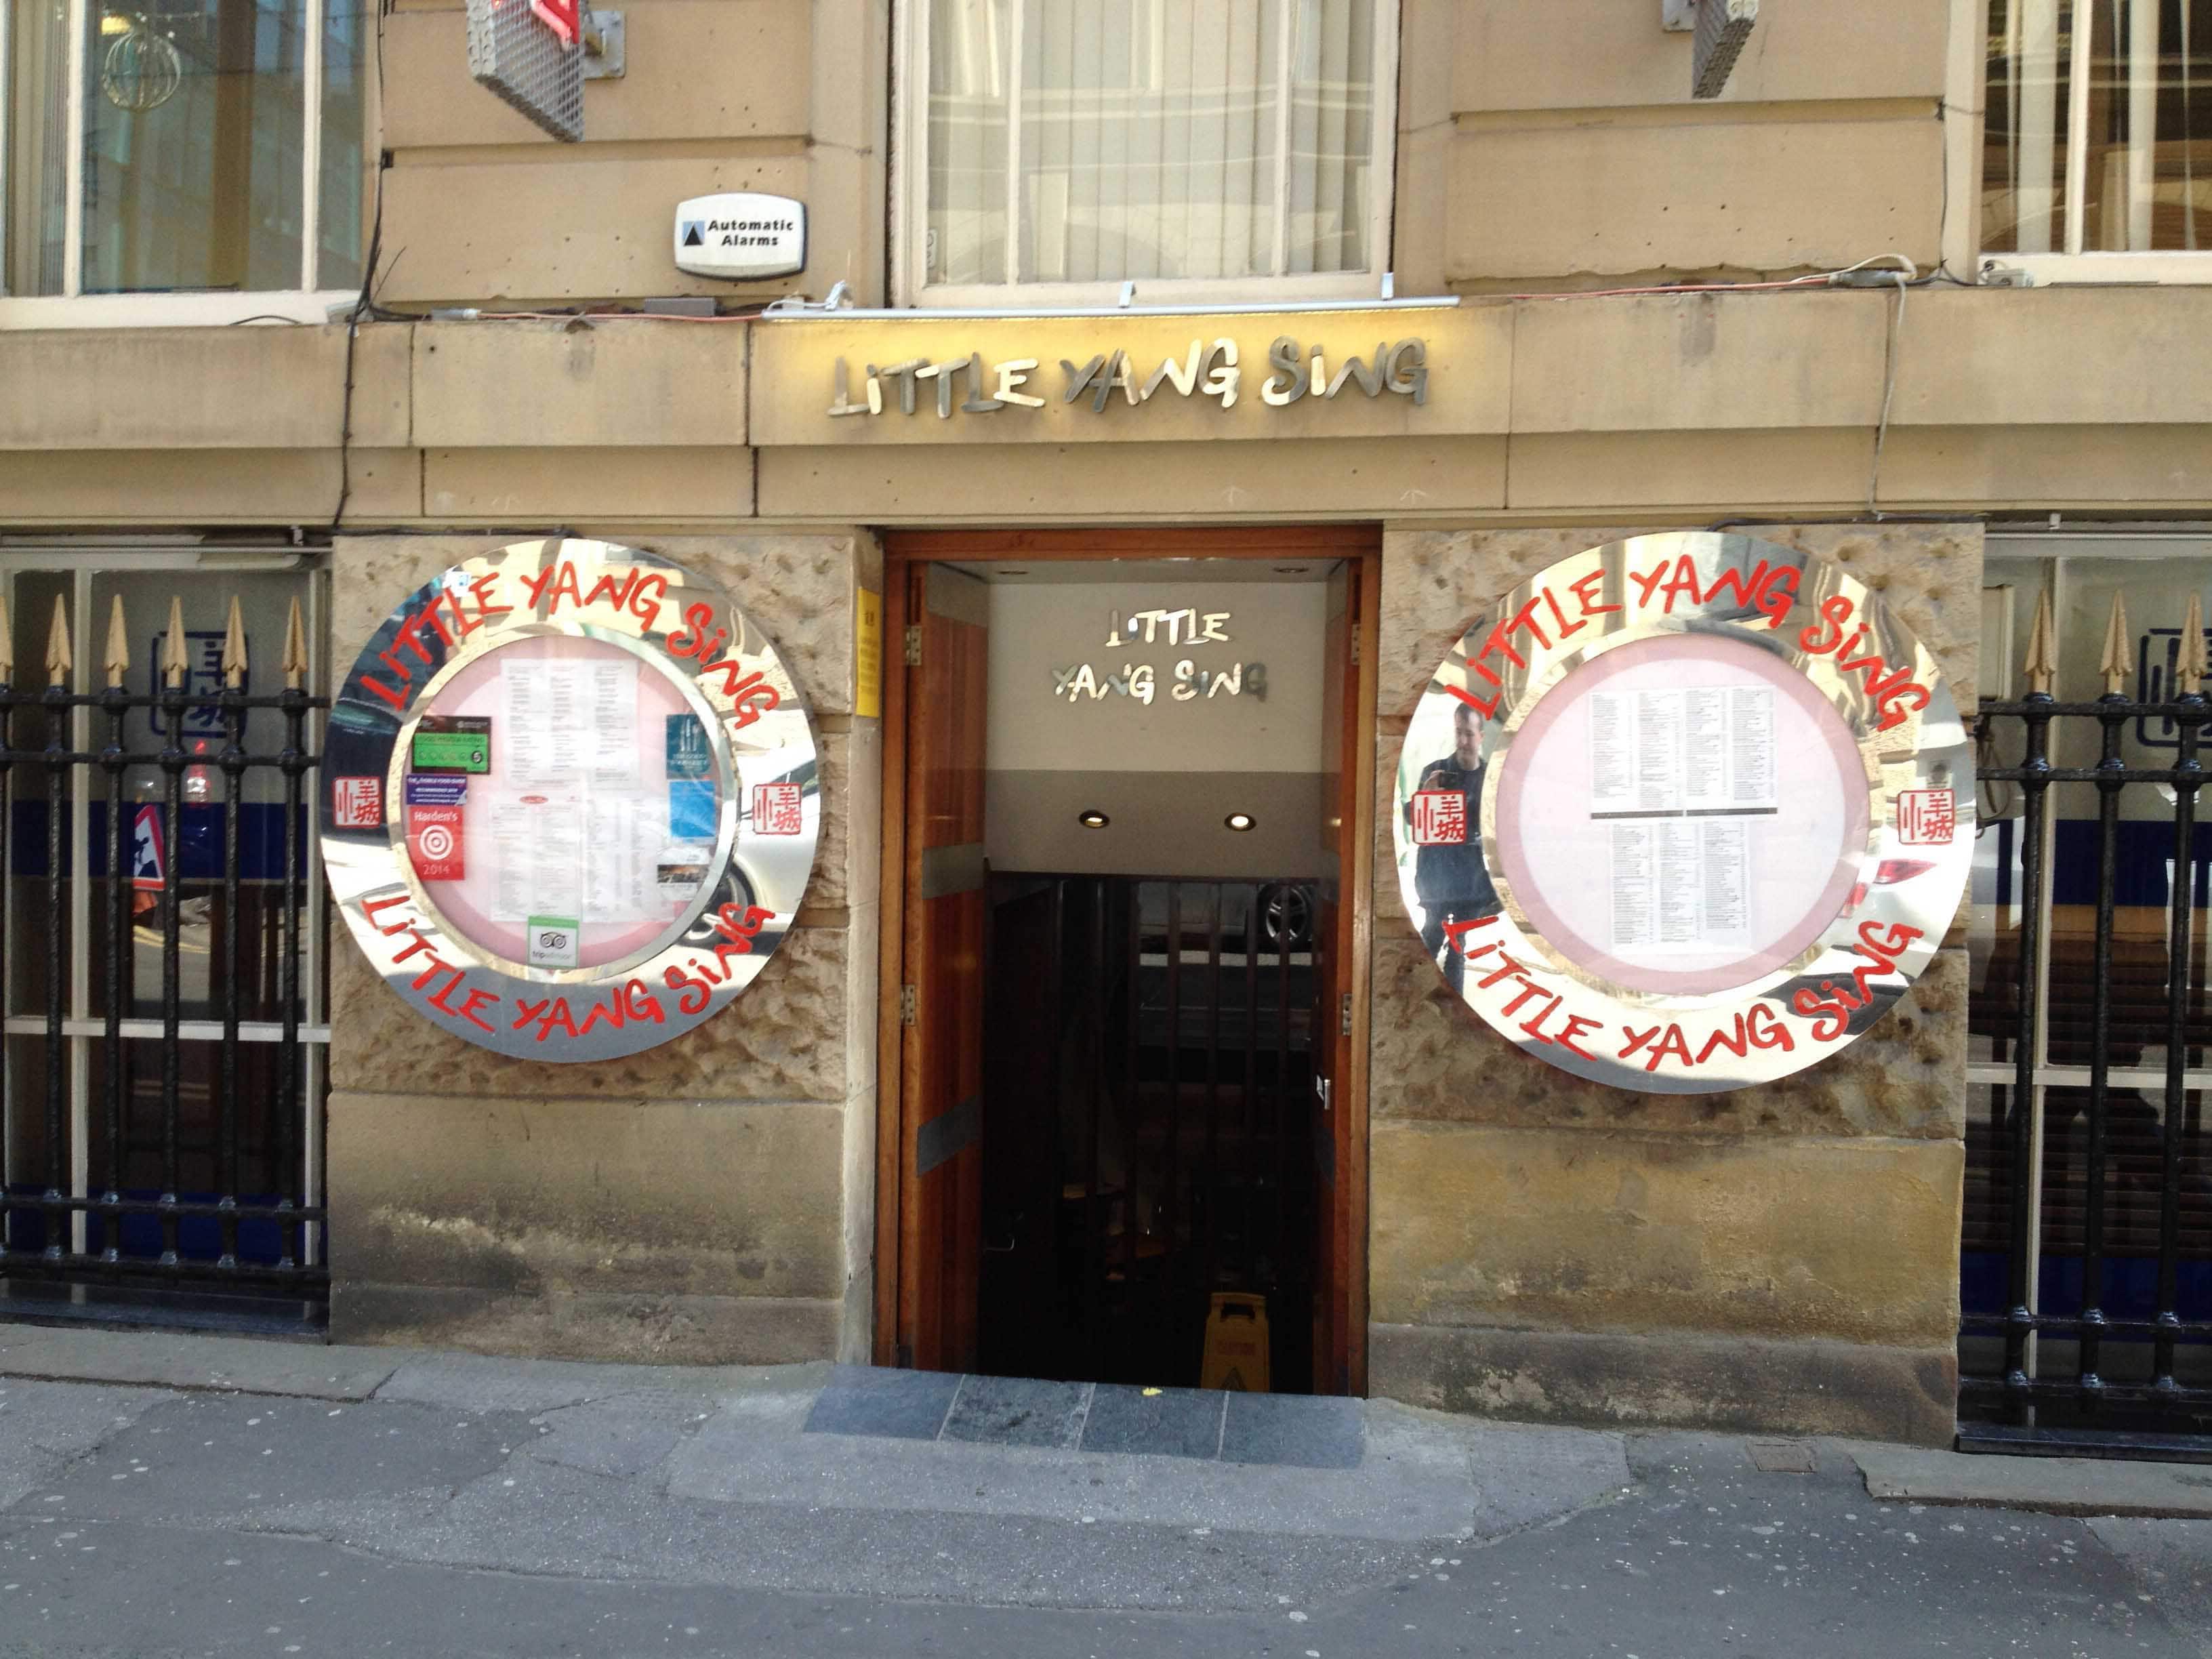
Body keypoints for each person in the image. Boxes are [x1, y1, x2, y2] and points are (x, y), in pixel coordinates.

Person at [1412, 699, 1500, 993]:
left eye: (1469, 734)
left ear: (1481, 737)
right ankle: (1412, 999)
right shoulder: (1435, 772)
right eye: (1458, 732)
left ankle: (1453, 1007)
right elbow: (1414, 820)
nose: (1463, 741)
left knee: (1458, 947)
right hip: (1437, 879)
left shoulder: (1491, 779)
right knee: (1430, 940)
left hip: (1471, 882)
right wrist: (1426, 796)